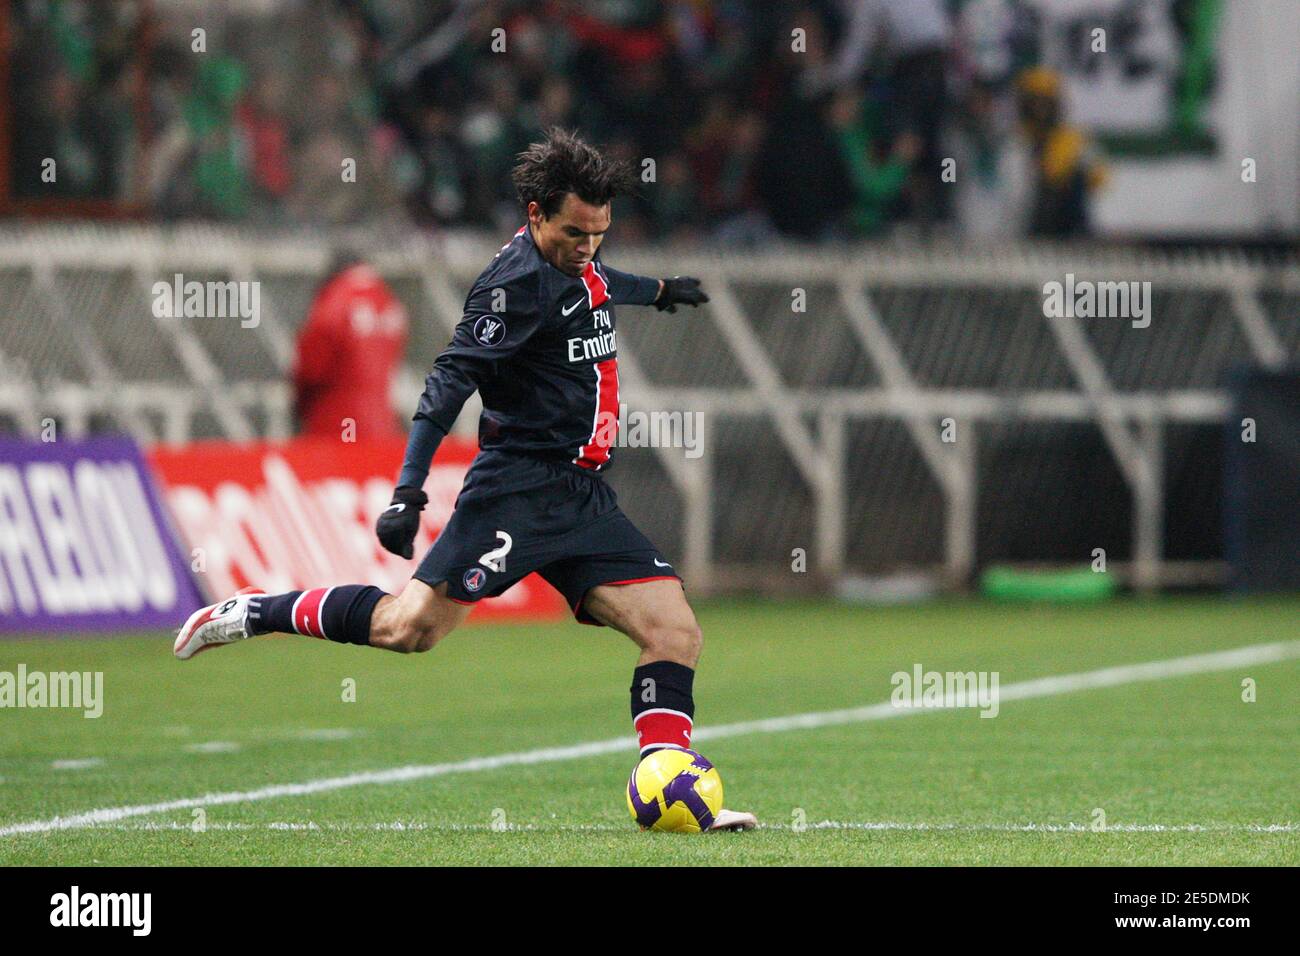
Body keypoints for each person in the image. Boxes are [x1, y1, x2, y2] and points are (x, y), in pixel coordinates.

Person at [175, 129, 756, 831]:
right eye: (575, 232)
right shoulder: (510, 287)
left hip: (582, 497)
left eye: (600, 234)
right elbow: (449, 381)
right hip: (515, 490)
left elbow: (606, 283)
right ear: (536, 213)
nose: (589, 247)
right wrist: (408, 490)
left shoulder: (581, 263)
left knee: (675, 631)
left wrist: (660, 292)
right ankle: (251, 613)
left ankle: (671, 787)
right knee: (407, 629)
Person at [293, 250, 407, 440]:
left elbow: (310, 368)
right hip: (382, 425)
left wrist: (300, 406)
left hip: (335, 425)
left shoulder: (335, 300)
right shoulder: (389, 301)